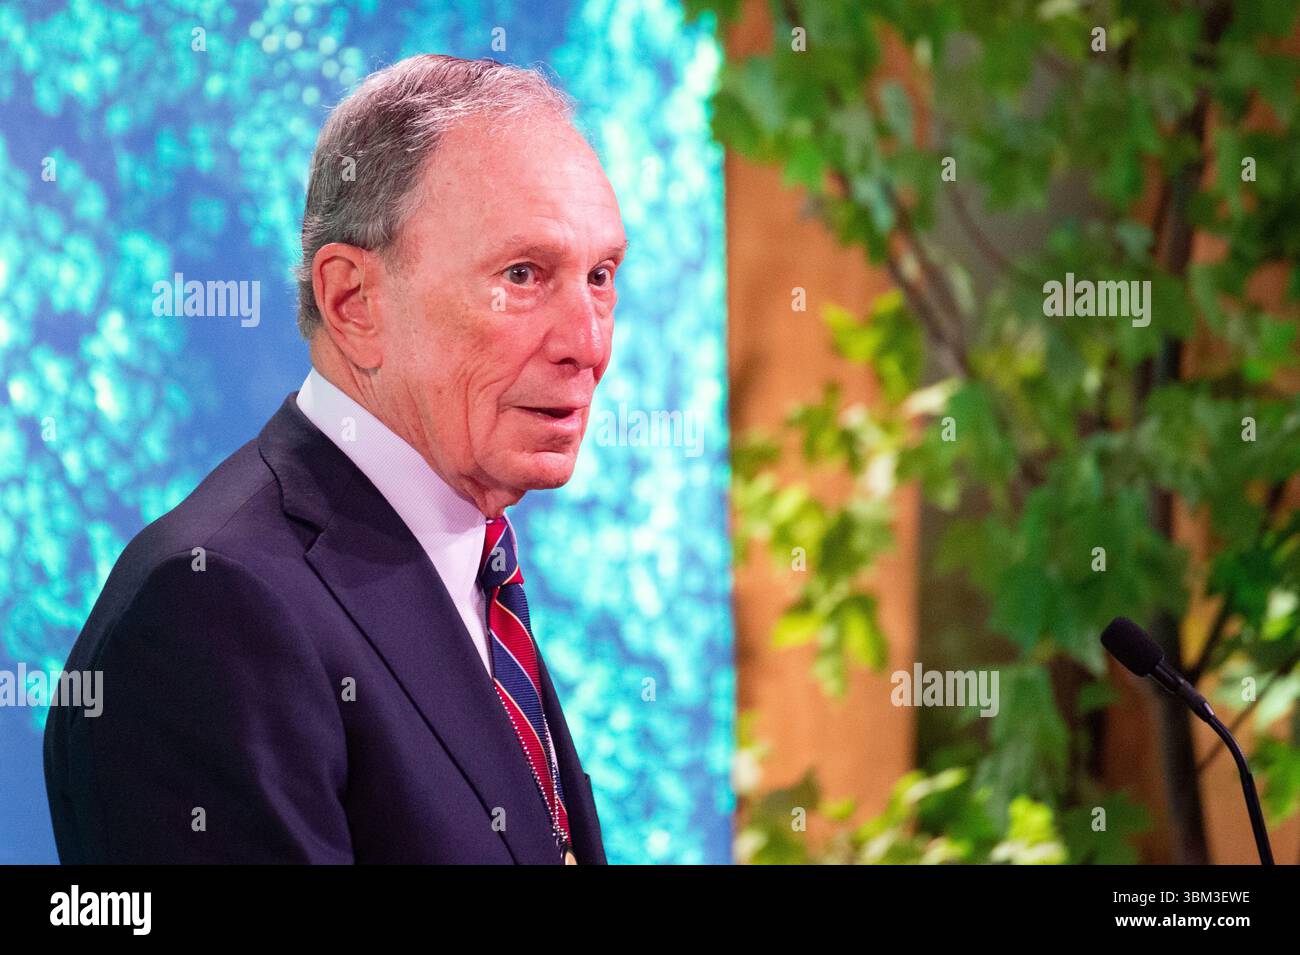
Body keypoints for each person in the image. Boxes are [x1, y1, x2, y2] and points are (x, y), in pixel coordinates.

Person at [44, 53, 626, 864]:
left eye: (601, 276)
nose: (588, 343)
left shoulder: (473, 564)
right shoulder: (209, 609)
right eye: (522, 276)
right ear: (353, 301)